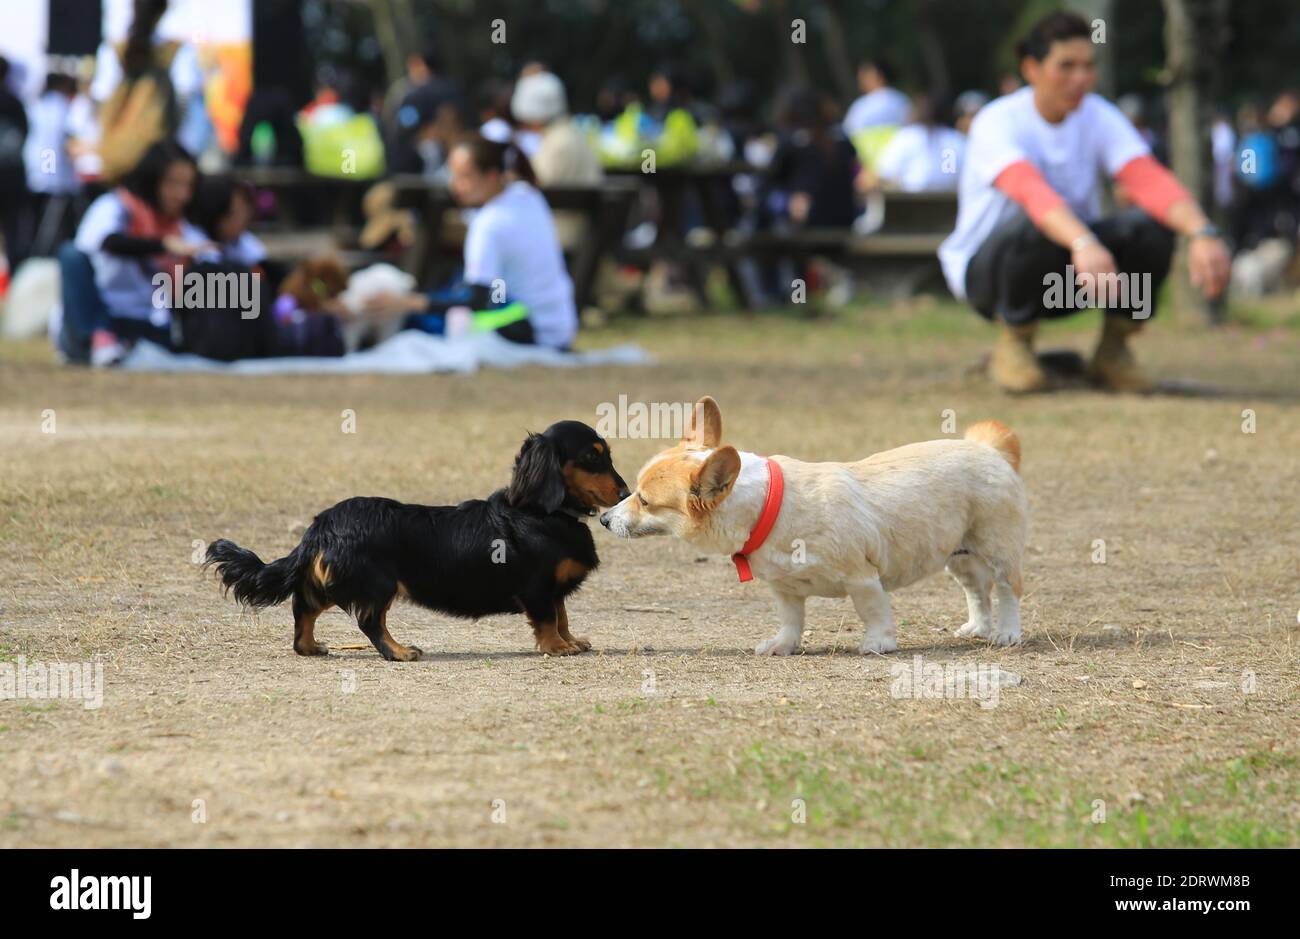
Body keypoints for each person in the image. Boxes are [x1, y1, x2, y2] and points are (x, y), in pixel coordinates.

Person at [938, 10, 1231, 393]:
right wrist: (1083, 241)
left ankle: (1114, 351)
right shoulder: (997, 121)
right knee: (1035, 223)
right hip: (992, 277)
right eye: (1067, 66)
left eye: (1088, 66)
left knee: (1151, 227)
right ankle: (1015, 346)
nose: (1081, 78)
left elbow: (1145, 178)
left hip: (1072, 275)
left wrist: (1201, 232)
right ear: (1031, 68)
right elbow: (1030, 191)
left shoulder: (1099, 116)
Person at [362, 135, 578, 350]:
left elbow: (478, 298)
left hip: (530, 331)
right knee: (476, 288)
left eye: (464, 177)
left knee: (450, 310)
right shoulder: (528, 195)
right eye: (453, 176)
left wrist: (407, 303)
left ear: (492, 176)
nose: (455, 186)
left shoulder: (488, 224)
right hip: (560, 327)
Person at [60, 140, 210, 366]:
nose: (182, 194)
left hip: (147, 323)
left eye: (188, 185)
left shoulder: (184, 227)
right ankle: (99, 341)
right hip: (101, 318)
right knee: (71, 254)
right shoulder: (115, 207)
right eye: (173, 183)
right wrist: (163, 245)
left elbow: (208, 258)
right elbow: (108, 242)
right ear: (153, 179)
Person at [90, 0, 208, 173]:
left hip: (116, 157)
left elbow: (100, 101)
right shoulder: (175, 51)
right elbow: (189, 107)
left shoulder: (114, 49)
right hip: (155, 162)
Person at [23, 72, 83, 257]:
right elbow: (65, 143)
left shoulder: (36, 105)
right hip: (54, 178)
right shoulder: (62, 108)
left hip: (35, 173)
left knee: (32, 224)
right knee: (47, 229)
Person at [872, 92, 966, 192]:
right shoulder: (956, 139)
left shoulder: (906, 137)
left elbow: (883, 175)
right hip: (948, 203)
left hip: (912, 204)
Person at [0, 56, 32, 270]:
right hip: (12, 175)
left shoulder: (15, 103)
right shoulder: (15, 103)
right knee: (14, 231)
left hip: (10, 175)